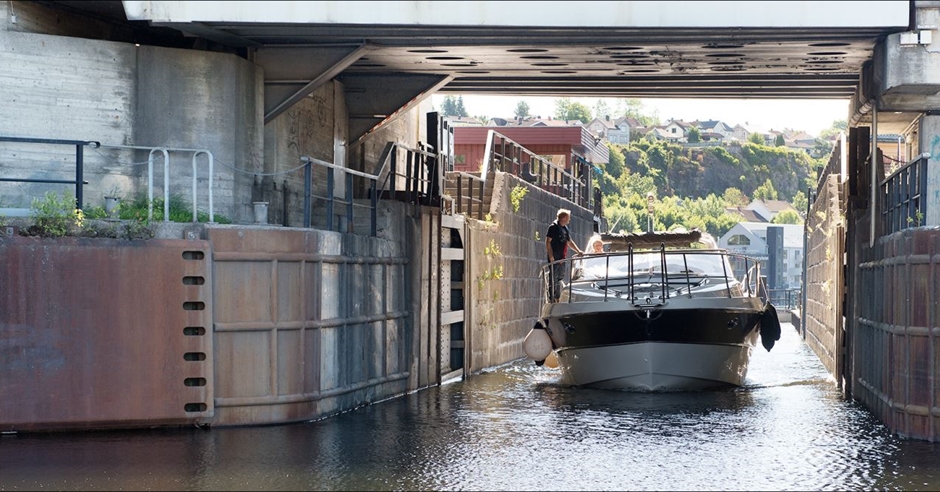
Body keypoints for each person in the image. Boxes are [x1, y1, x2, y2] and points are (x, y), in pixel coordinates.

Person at [545, 208, 582, 302]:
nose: (569, 220)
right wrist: (550, 255)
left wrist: (578, 251)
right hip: (555, 256)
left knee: (560, 277)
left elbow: (569, 242)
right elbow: (548, 242)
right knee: (554, 277)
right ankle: (552, 298)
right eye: (568, 218)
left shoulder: (565, 228)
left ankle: (557, 297)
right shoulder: (553, 227)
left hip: (562, 256)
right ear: (564, 218)